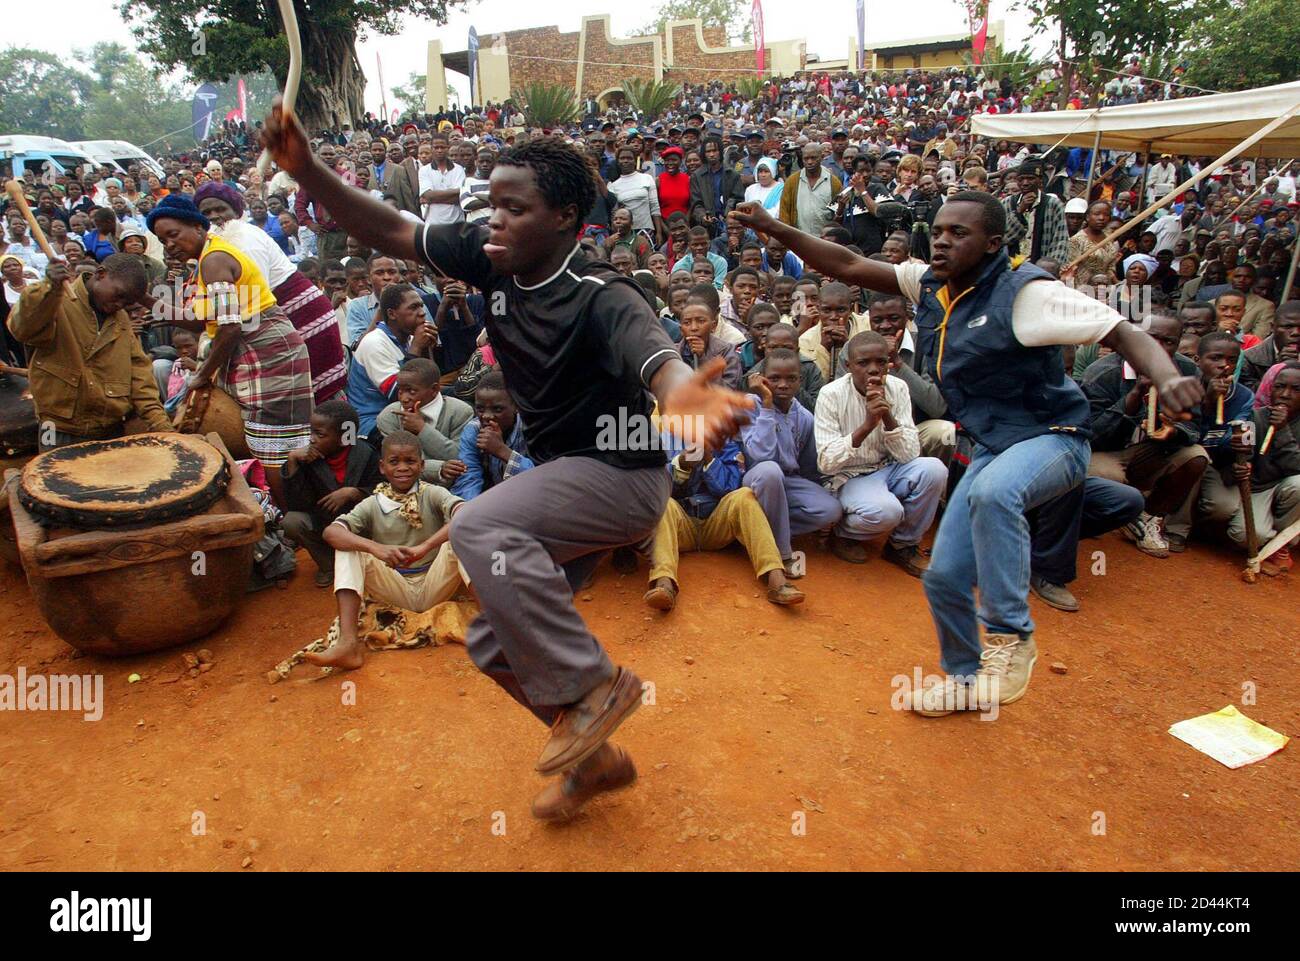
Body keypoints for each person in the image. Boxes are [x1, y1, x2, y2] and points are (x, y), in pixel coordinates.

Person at [262, 105, 752, 822]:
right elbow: (390, 228)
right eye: (489, 202)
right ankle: (593, 759)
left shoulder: (603, 296)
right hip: (557, 479)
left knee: (479, 528)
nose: (493, 219)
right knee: (494, 639)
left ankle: (596, 688)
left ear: (563, 219)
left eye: (513, 208)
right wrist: (306, 169)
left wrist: (685, 397)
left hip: (621, 475)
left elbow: (662, 362)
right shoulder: (488, 253)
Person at [732, 190, 1202, 715]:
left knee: (996, 496)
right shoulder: (931, 283)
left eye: (960, 233)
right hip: (990, 448)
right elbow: (846, 262)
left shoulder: (1029, 294)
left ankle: (1010, 639)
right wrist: (776, 227)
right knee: (946, 576)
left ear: (994, 243)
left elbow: (1121, 330)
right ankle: (963, 679)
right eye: (937, 231)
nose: (942, 240)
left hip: (1052, 438)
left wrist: (1167, 377)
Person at [144, 195, 315, 505]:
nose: (169, 245)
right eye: (162, 240)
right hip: (256, 352)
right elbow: (200, 321)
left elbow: (230, 327)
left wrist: (202, 374)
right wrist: (146, 300)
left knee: (271, 446)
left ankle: (291, 516)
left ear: (197, 227)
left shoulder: (214, 260)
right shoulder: (205, 261)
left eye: (173, 234)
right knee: (270, 443)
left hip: (268, 353)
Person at [304, 430, 469, 670]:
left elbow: (466, 515)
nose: (402, 468)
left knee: (462, 536)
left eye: (410, 461)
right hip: (395, 589)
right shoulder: (372, 503)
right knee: (348, 548)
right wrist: (377, 549)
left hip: (435, 584)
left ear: (422, 465)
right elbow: (332, 533)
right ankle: (348, 645)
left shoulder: (431, 493)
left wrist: (426, 546)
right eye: (394, 462)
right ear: (382, 467)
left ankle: (498, 628)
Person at [194, 182, 347, 405]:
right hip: (286, 319)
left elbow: (252, 307)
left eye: (220, 209)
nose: (215, 217)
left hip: (303, 318)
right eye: (206, 213)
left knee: (318, 404)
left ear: (236, 211)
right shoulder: (220, 245)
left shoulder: (243, 240)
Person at [814, 330, 947, 575]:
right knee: (887, 512)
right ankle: (843, 533)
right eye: (863, 363)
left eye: (881, 362)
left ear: (889, 363)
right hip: (851, 476)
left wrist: (886, 415)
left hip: (889, 467)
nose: (873, 370)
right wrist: (865, 427)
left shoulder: (898, 388)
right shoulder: (831, 394)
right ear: (848, 366)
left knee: (935, 470)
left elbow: (909, 454)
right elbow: (826, 463)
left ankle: (902, 544)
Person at [12, 255, 173, 450]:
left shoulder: (121, 321)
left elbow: (140, 379)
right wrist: (48, 288)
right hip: (55, 429)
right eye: (119, 295)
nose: (120, 305)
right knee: (53, 478)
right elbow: (22, 328)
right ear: (100, 274)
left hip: (109, 430)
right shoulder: (54, 302)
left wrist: (163, 427)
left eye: (127, 302)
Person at [1083, 312, 1208, 556]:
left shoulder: (1188, 370)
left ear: (1179, 342)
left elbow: (1195, 427)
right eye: (1151, 339)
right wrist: (1132, 396)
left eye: (1168, 342)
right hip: (1105, 453)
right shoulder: (1102, 372)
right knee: (1105, 476)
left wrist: (1174, 431)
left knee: (1196, 456)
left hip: (1151, 452)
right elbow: (1091, 435)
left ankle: (1146, 519)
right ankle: (1102, 519)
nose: (1158, 348)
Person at [643, 433, 804, 612]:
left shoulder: (725, 440)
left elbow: (732, 484)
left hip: (717, 524)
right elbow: (654, 485)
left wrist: (709, 460)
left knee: (744, 495)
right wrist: (681, 464)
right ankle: (664, 582)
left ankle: (776, 578)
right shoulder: (662, 438)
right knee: (662, 503)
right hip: (681, 524)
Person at [741, 347, 843, 576]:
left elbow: (808, 466)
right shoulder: (750, 405)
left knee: (829, 509)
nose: (783, 385)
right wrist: (767, 404)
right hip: (754, 479)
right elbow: (759, 456)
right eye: (774, 378)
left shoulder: (805, 416)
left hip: (787, 480)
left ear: (800, 381)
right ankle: (781, 552)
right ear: (763, 379)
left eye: (791, 379)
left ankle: (758, 531)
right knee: (770, 471)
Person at [1198, 361, 1300, 572]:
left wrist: (1281, 431)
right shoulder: (1254, 417)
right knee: (1244, 536)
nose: (1285, 394)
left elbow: (1296, 466)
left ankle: (1279, 546)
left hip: (1286, 487)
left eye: (1295, 389)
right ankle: (1261, 533)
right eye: (1279, 387)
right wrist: (1240, 466)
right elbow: (1242, 456)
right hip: (1256, 488)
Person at [282, 399, 383, 587]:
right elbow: (297, 504)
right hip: (325, 524)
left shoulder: (367, 455)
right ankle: (329, 566)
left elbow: (385, 490)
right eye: (311, 432)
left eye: (319, 434)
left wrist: (354, 492)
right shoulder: (307, 460)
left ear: (344, 436)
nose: (312, 439)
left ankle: (371, 564)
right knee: (292, 521)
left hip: (363, 526)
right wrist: (293, 462)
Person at [348, 282, 438, 437]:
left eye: (421, 306)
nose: (422, 313)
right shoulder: (374, 342)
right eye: (413, 308)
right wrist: (416, 347)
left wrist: (427, 347)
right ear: (391, 314)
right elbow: (402, 394)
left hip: (403, 413)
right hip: (372, 422)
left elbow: (429, 385)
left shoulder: (409, 338)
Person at [376, 357, 474, 486]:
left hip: (453, 488)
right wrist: (438, 468)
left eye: (411, 391)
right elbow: (396, 466)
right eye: (400, 391)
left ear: (434, 389)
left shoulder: (460, 412)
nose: (404, 398)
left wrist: (422, 429)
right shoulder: (389, 416)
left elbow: (459, 459)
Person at [450, 370, 534, 499]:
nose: (486, 416)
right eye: (480, 409)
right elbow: (468, 479)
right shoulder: (473, 430)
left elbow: (541, 477)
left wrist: (502, 451)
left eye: (497, 409)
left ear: (517, 406)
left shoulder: (531, 427)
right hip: (493, 500)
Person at [1002, 157, 1069, 265]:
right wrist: (1020, 211)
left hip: (1041, 264)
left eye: (1030, 178)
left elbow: (1060, 240)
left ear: (1040, 180)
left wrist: (1051, 267)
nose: (1025, 183)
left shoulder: (1053, 204)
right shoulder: (1007, 203)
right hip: (1012, 263)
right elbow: (1004, 238)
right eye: (1021, 179)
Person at [679, 284, 743, 389]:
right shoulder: (673, 352)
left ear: (713, 325)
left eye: (701, 321)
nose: (694, 327)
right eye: (687, 322)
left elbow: (730, 390)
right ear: (681, 330)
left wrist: (703, 360)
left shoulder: (726, 351)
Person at [779, 144, 842, 236]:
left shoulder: (833, 182)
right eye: (806, 158)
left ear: (821, 157)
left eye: (813, 158)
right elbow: (784, 212)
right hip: (799, 238)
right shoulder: (792, 181)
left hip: (825, 241)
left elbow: (838, 213)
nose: (809, 162)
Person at [1240, 300, 1300, 391]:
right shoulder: (1248, 359)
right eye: (1288, 327)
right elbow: (1251, 399)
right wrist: (1276, 370)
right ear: (1272, 327)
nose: (1296, 333)